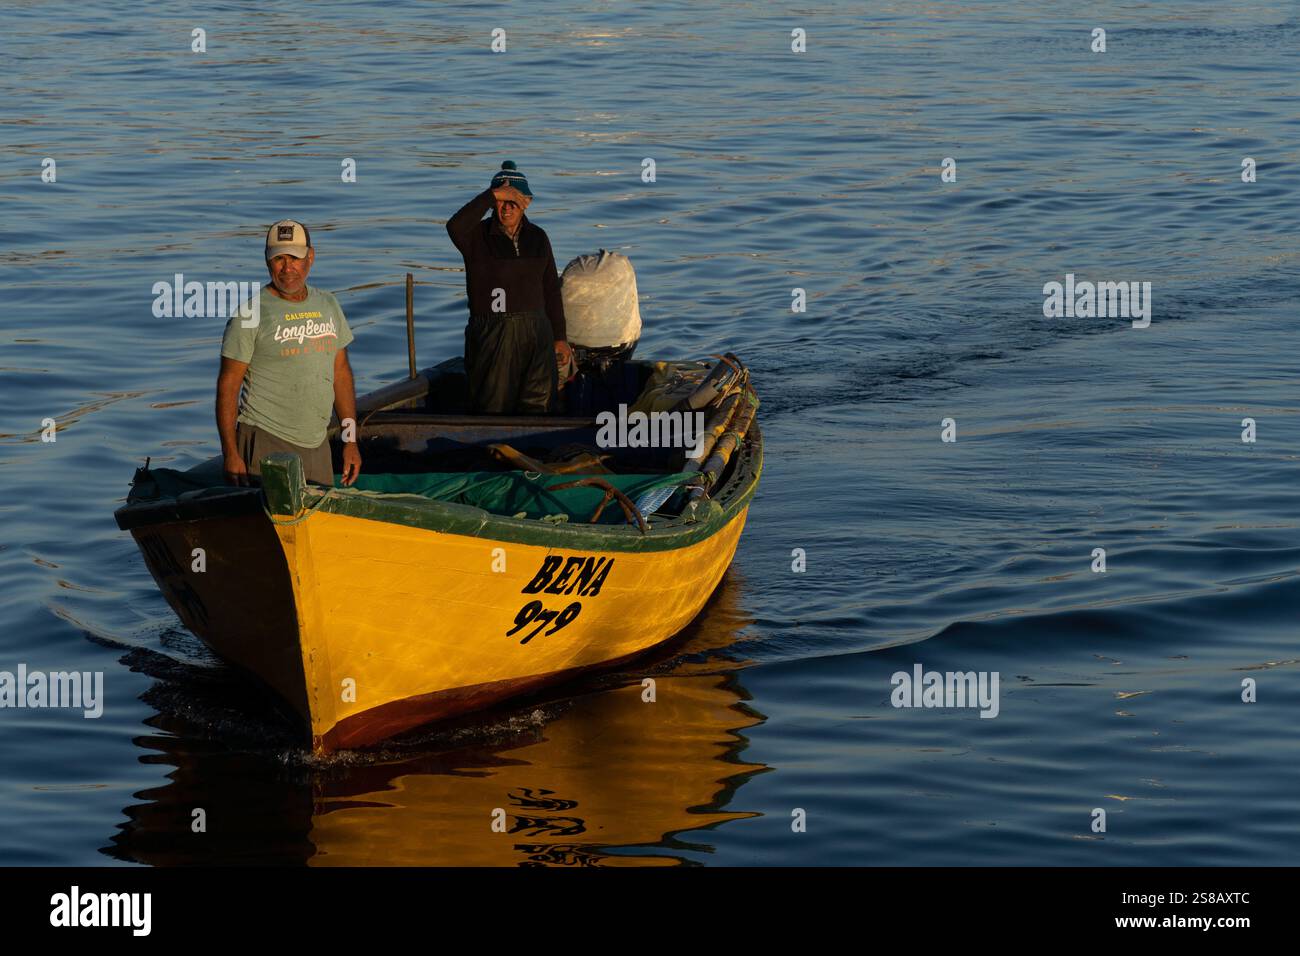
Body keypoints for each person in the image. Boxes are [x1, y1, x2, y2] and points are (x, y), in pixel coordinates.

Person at [216, 220, 362, 487]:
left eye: (295, 258)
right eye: (279, 259)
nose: (287, 268)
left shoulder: (328, 304)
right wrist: (231, 453)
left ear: (311, 257)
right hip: (266, 440)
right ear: (267, 261)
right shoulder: (250, 314)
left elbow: (340, 374)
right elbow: (228, 386)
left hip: (317, 443)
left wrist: (350, 440)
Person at [446, 160, 574, 414]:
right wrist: (492, 194)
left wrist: (560, 337)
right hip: (493, 334)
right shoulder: (475, 236)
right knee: (493, 404)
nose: (506, 209)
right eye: (501, 201)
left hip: (537, 333)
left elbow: (550, 288)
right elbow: (454, 226)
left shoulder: (538, 237)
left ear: (526, 202)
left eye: (513, 201)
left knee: (539, 403)